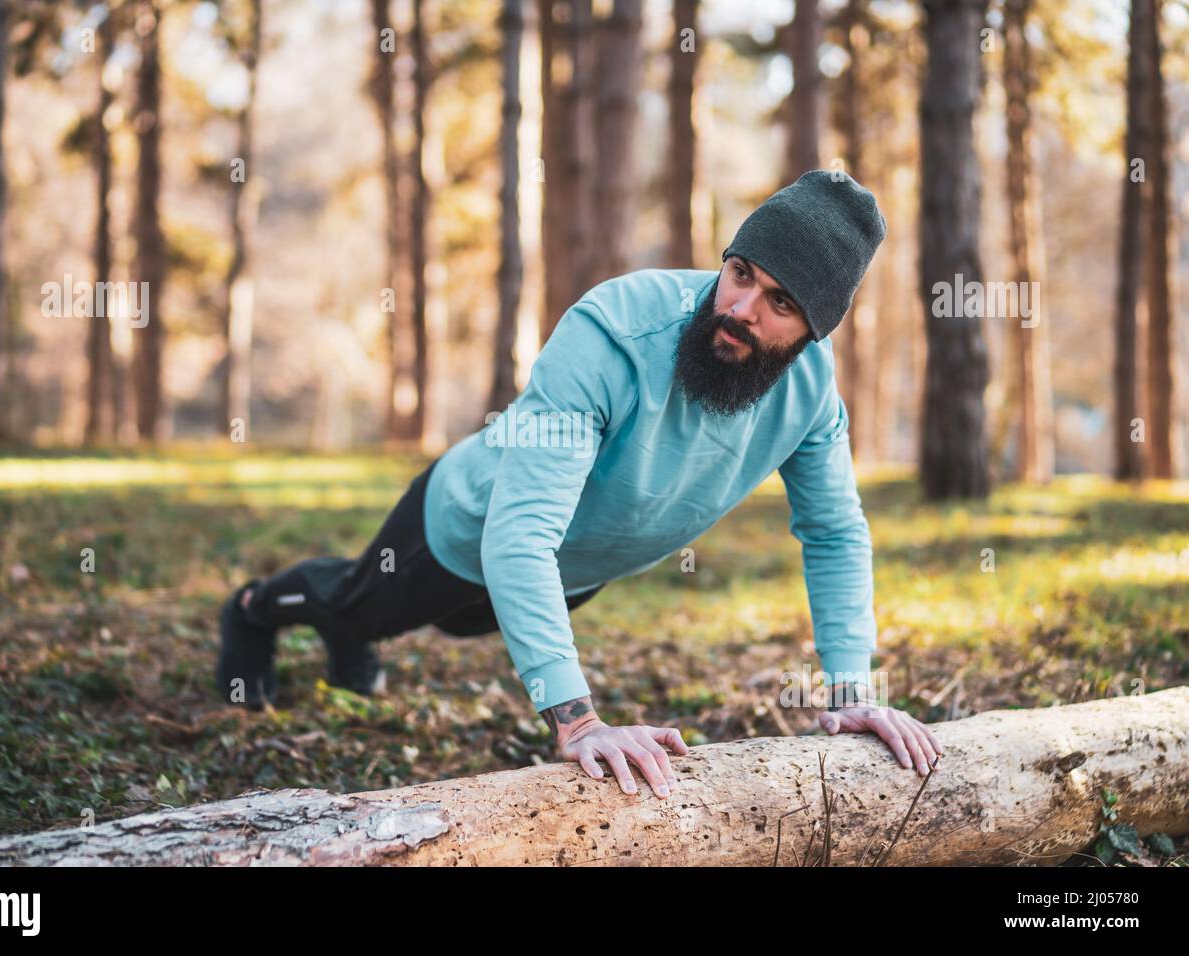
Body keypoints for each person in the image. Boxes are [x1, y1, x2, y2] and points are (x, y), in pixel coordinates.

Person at [217, 170, 943, 800]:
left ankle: (356, 643)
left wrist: (854, 694)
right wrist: (577, 719)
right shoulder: (611, 331)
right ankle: (252, 612)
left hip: (575, 568)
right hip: (466, 525)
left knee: (464, 624)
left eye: (781, 303)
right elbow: (519, 530)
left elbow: (835, 532)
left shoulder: (811, 393)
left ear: (815, 330)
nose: (742, 308)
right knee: (361, 605)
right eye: (742, 272)